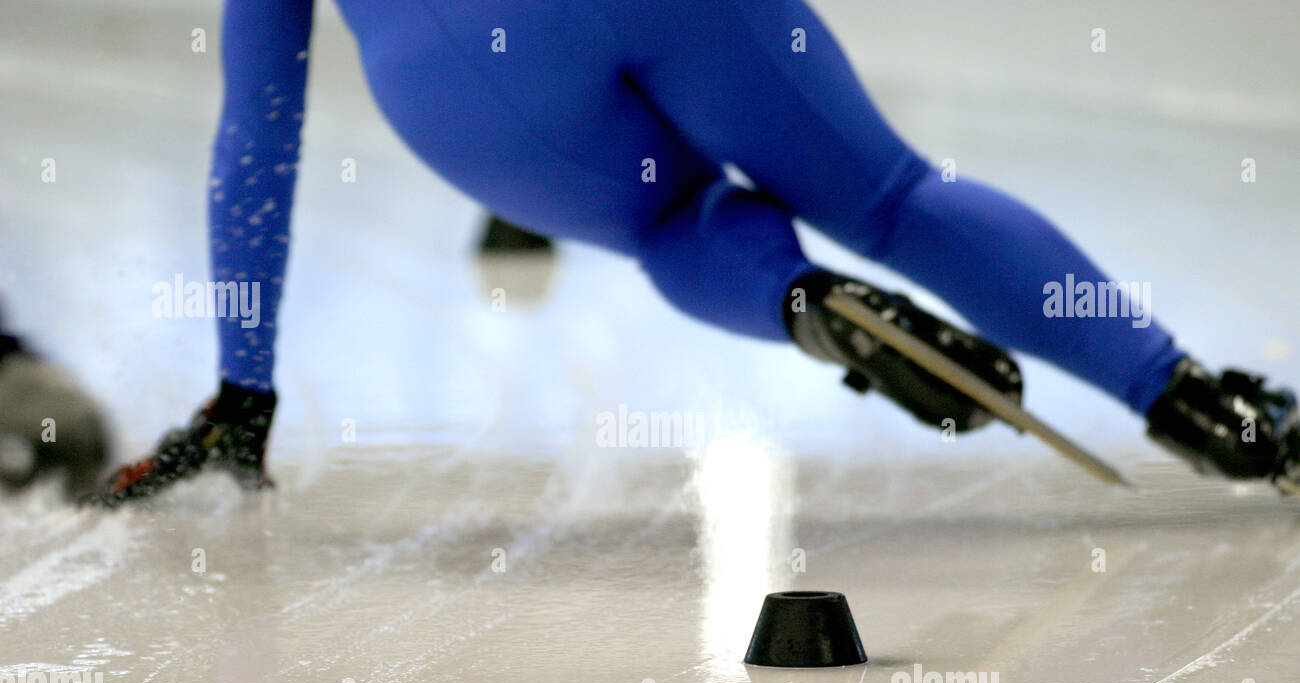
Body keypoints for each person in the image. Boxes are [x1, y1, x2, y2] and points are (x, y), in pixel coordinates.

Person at [94, 0, 1299, 505]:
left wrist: (242, 386)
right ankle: (1200, 403)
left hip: (462, 74)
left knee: (672, 223)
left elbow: (257, 135)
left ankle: (803, 301)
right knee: (893, 194)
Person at [0, 301, 109, 498]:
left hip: (59, 435)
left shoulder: (13, 366)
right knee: (86, 504)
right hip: (88, 426)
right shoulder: (28, 357)